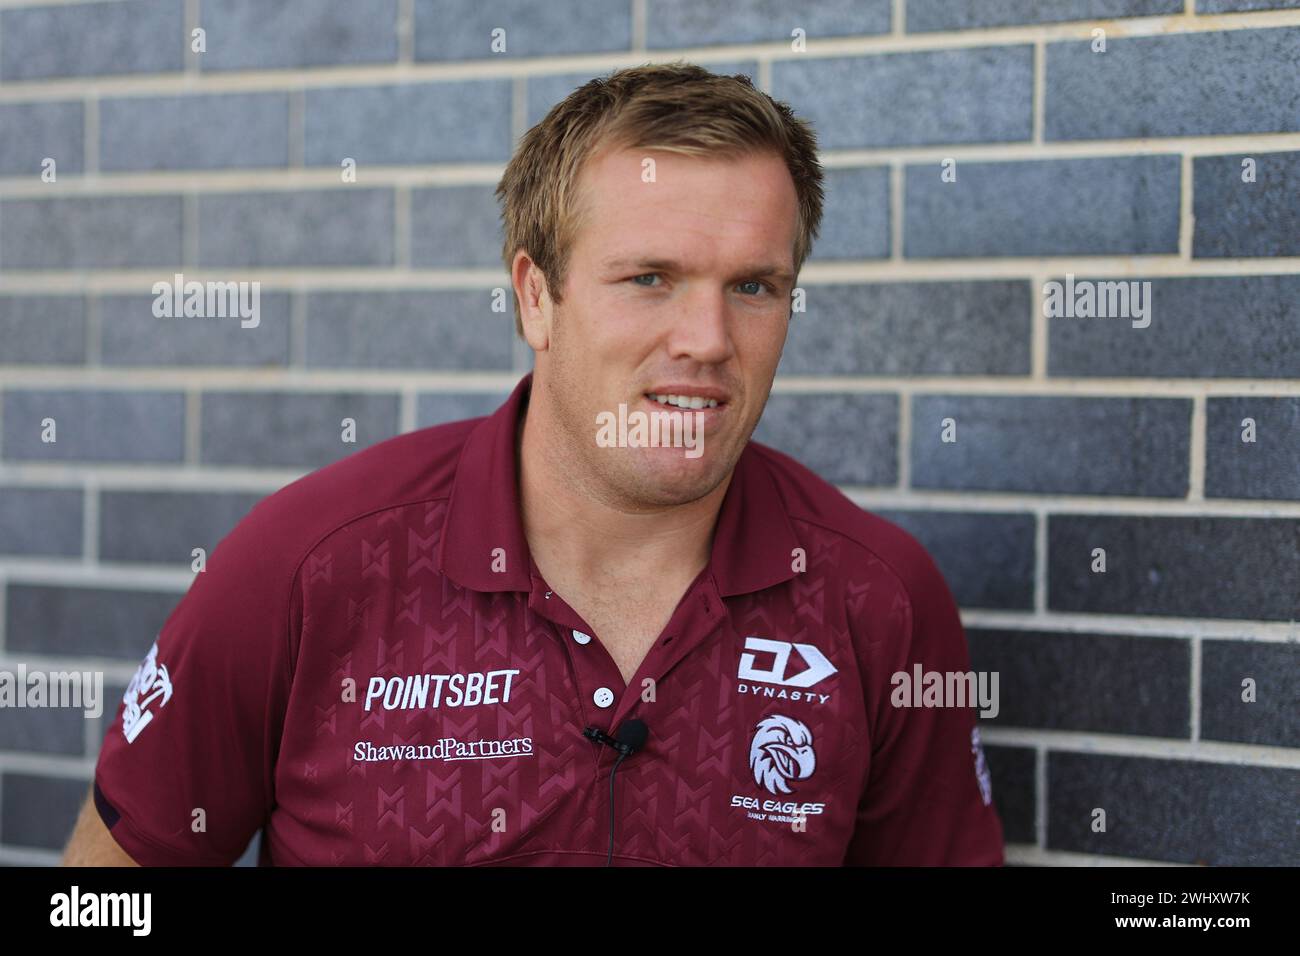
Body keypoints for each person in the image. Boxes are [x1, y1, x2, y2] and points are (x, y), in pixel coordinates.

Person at [63, 62, 1003, 866]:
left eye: (754, 287)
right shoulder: (312, 566)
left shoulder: (878, 600)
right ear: (535, 299)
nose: (709, 341)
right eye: (649, 279)